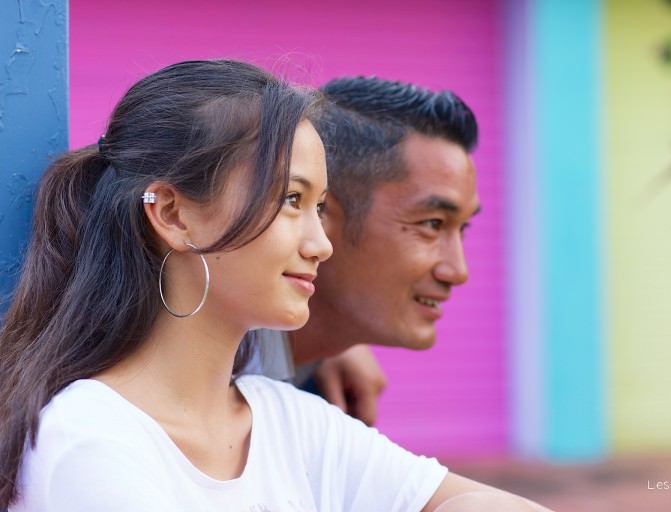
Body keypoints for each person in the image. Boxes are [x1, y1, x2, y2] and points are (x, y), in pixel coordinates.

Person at [0, 59, 549, 511]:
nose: (321, 243)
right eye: (292, 200)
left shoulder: (289, 419)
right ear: (173, 213)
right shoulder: (94, 440)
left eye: (318, 207)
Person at [259, 76, 481, 426]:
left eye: (462, 228)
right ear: (317, 211)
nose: (457, 271)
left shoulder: (324, 393)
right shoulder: (191, 378)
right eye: (433, 224)